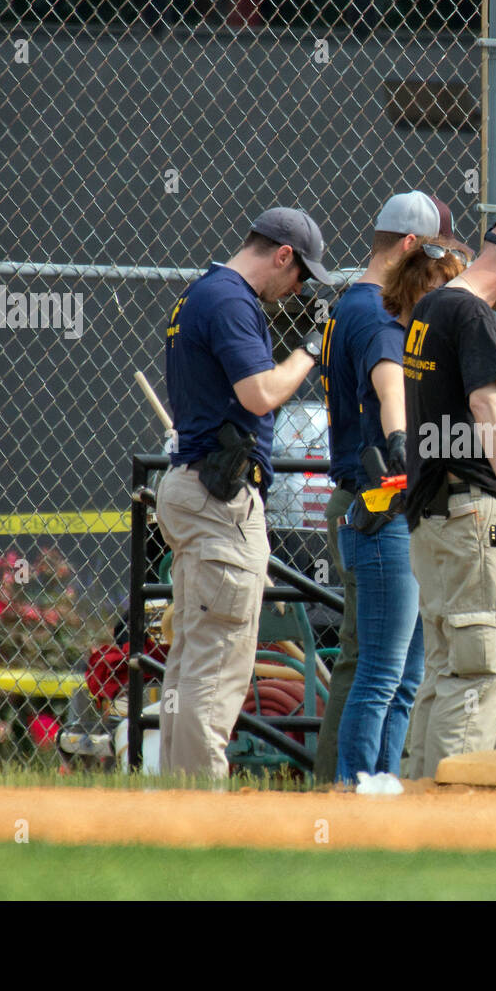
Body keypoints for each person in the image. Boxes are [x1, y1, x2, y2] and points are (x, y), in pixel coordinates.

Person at [158, 207, 331, 779]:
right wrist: (309, 349)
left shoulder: (201, 292)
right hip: (218, 499)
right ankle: (200, 810)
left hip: (196, 486)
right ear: (283, 255)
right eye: (301, 274)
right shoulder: (232, 300)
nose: (299, 287)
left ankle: (178, 802)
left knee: (190, 662)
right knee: (216, 668)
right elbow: (260, 394)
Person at [315, 190, 454, 782]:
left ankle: (371, 786)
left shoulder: (350, 304)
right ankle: (350, 788)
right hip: (379, 498)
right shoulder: (376, 314)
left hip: (364, 495)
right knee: (379, 670)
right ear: (409, 246)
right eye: (433, 257)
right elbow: (391, 388)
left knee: (386, 671)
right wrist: (401, 447)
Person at [402, 210, 496, 778]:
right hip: (468, 512)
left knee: (441, 669)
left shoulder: (431, 306)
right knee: (479, 673)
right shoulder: (473, 314)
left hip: (430, 514)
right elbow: (487, 409)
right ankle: (450, 813)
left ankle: (414, 802)